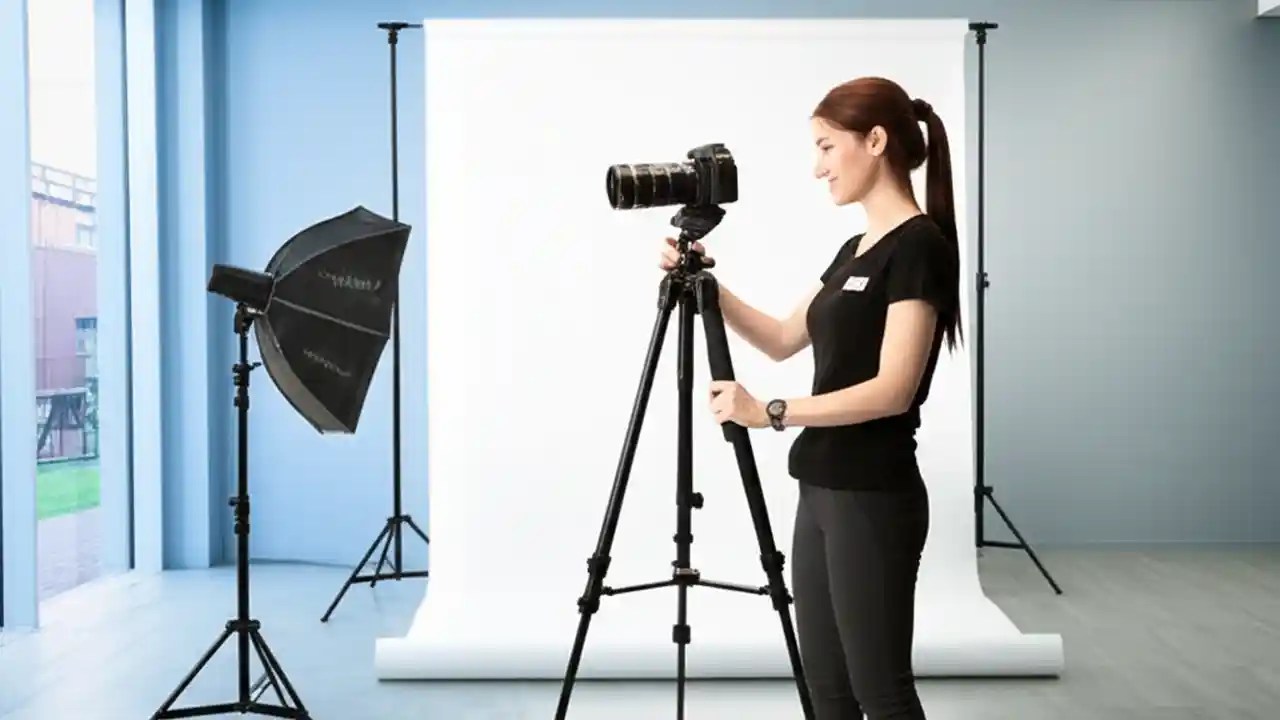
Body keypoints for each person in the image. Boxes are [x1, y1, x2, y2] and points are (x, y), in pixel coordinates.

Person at [659, 76, 961, 720]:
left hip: (873, 496)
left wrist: (768, 412)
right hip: (820, 488)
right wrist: (704, 281)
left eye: (826, 146)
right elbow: (779, 338)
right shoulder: (854, 250)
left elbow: (892, 390)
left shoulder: (918, 247)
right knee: (828, 692)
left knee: (880, 692)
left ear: (875, 141)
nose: (816, 166)